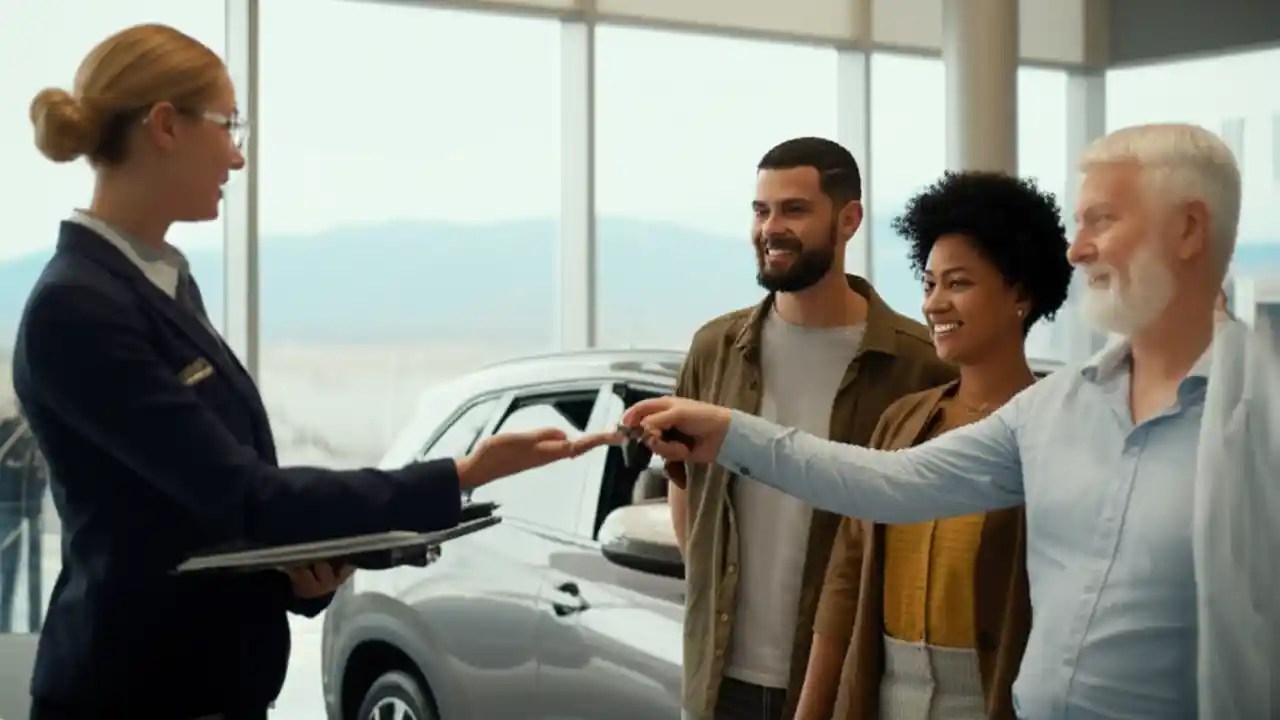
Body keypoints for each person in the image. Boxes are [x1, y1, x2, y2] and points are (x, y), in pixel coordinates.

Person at [14, 23, 589, 720]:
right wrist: (461, 473)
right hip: (135, 692)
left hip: (204, 684)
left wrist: (298, 576)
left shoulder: (157, 285)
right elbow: (244, 495)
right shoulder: (79, 307)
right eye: (229, 126)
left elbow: (183, 515)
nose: (236, 157)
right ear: (165, 125)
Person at [611, 123, 1245, 719]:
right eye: (930, 281)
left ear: (1189, 229)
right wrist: (729, 430)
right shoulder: (1054, 411)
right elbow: (887, 486)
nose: (1079, 249)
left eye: (1103, 220)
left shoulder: (1249, 414)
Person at [668, 137, 955, 720]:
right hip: (720, 680)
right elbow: (686, 497)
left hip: (852, 683)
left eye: (794, 210)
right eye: (760, 209)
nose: (771, 227)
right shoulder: (715, 349)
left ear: (848, 219)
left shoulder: (917, 364)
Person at [793, 171, 1072, 720]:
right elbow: (846, 579)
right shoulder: (903, 421)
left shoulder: (1058, 432)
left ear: (1019, 291)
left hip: (994, 699)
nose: (935, 304)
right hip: (882, 695)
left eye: (958, 283)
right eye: (929, 284)